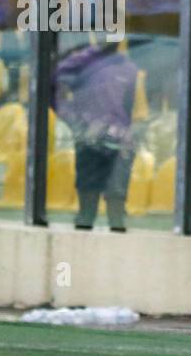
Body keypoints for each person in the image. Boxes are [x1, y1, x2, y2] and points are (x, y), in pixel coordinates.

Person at [52, 42, 138, 232]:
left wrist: (124, 133)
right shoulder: (80, 63)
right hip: (89, 141)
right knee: (86, 211)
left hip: (117, 143)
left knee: (116, 208)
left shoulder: (128, 67)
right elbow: (53, 80)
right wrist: (75, 121)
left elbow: (128, 109)